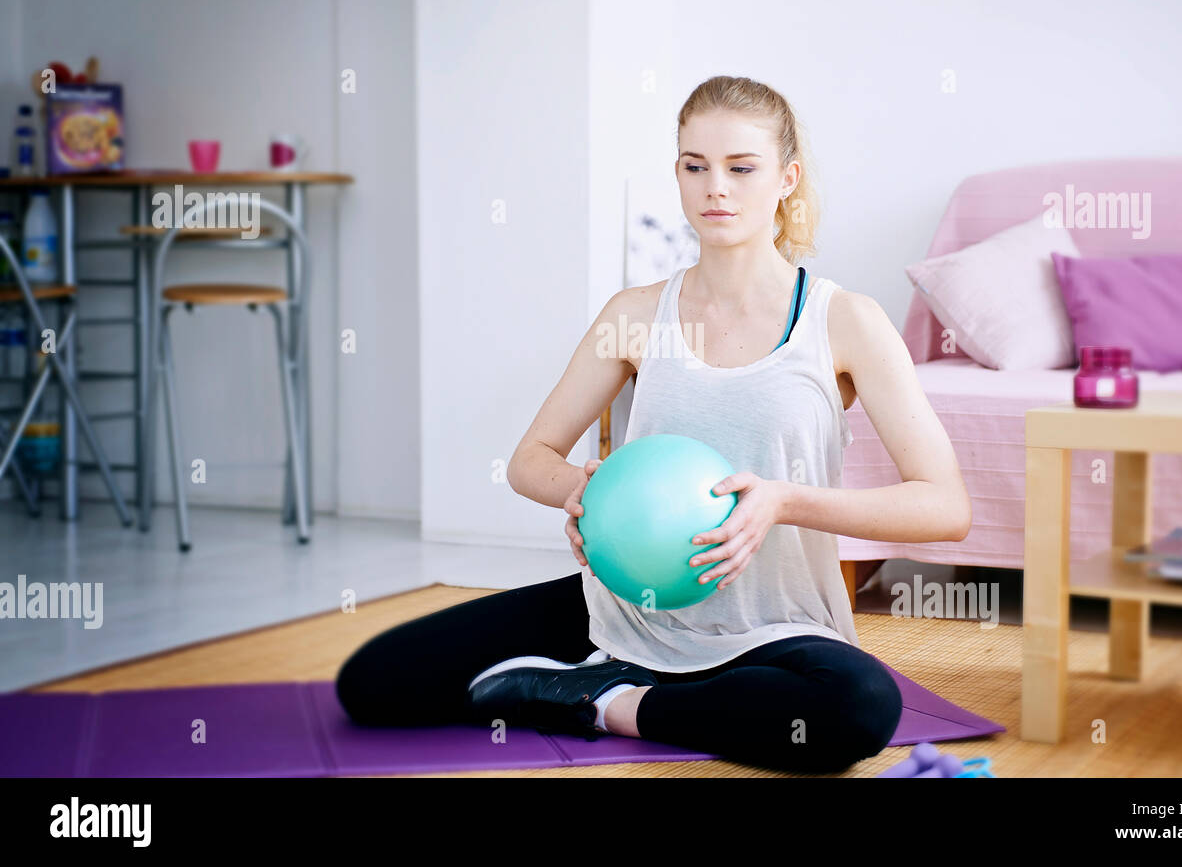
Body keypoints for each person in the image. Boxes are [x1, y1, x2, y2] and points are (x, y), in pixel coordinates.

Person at [336, 75, 971, 774]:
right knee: (373, 681)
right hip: (625, 611)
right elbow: (531, 458)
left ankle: (604, 702)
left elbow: (945, 504)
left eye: (740, 168)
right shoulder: (634, 315)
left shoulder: (844, 320)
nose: (715, 188)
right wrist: (584, 490)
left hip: (776, 626)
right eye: (694, 166)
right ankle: (640, 679)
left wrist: (785, 500)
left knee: (858, 707)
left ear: (787, 179)